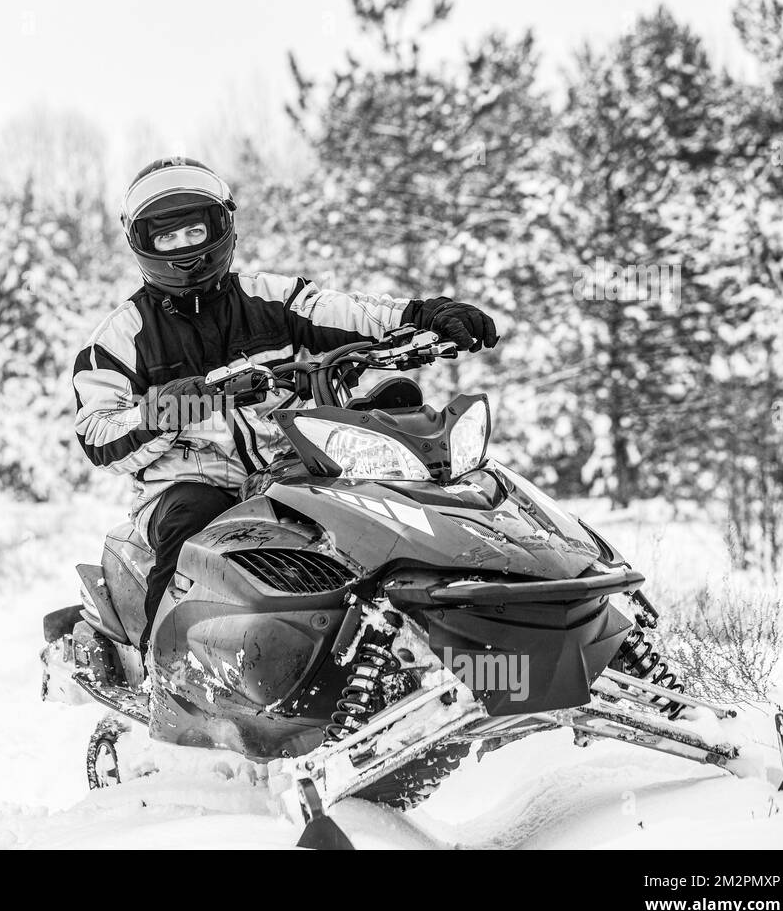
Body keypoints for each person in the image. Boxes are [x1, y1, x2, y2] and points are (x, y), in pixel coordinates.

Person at [72, 157, 498, 651]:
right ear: (142, 244)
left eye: (194, 230)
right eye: (167, 238)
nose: (185, 248)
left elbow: (347, 312)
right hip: (188, 485)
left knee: (378, 500)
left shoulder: (272, 298)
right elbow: (98, 432)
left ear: (221, 226)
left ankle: (408, 640)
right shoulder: (120, 337)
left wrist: (423, 313)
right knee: (192, 515)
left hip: (293, 462)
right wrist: (161, 410)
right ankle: (164, 666)